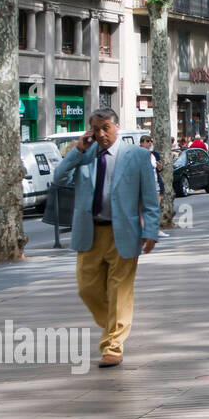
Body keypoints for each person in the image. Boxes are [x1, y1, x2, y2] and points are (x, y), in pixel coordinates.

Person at [52, 107, 159, 368]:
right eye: (96, 129)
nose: (101, 134)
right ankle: (113, 324)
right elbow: (59, 177)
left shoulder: (138, 155)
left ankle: (113, 345)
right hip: (90, 232)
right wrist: (78, 149)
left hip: (123, 232)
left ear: (117, 126)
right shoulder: (84, 154)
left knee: (119, 292)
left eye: (106, 128)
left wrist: (150, 230)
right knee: (87, 289)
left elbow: (149, 197)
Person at [139, 135, 170, 241]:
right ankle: (143, 230)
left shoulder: (154, 154)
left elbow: (160, 169)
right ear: (142, 143)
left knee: (156, 208)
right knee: (143, 208)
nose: (150, 143)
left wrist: (159, 167)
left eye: (151, 141)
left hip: (156, 184)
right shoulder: (138, 154)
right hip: (144, 185)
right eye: (147, 141)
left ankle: (156, 230)